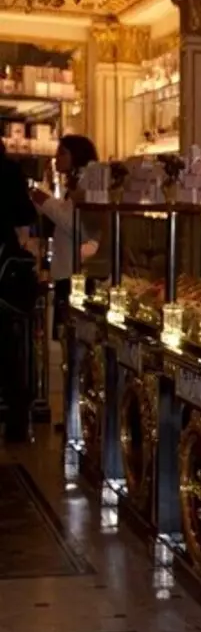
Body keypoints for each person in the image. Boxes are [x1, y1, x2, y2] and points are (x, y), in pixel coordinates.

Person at [29, 134, 98, 324]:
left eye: (62, 153)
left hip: (74, 275)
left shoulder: (86, 184)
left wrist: (46, 202)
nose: (56, 157)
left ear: (76, 155)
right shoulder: (77, 184)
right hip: (67, 271)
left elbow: (77, 224)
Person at [0, 143, 37, 441]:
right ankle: (15, 417)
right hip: (2, 266)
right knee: (8, 347)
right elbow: (25, 215)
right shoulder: (10, 171)